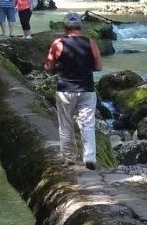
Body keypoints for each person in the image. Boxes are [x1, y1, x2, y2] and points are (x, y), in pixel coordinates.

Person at [44, 13, 103, 169]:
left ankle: (69, 158)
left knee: (65, 125)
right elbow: (99, 67)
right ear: (80, 27)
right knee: (88, 125)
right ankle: (90, 159)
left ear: (64, 28)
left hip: (65, 90)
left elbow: (48, 67)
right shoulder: (90, 43)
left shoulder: (58, 43)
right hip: (87, 89)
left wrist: (56, 66)